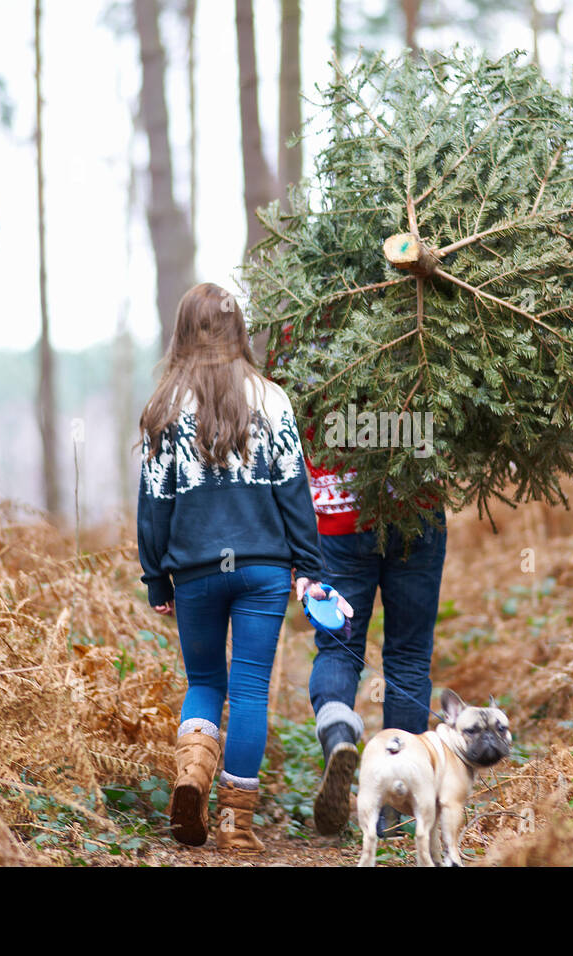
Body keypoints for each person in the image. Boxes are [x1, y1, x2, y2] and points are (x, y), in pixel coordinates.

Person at [136, 282, 338, 854]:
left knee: (204, 681)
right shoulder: (270, 398)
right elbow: (294, 490)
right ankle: (236, 824)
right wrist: (308, 566)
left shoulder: (164, 406)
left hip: (195, 572)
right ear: (237, 329)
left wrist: (156, 576)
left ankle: (192, 776)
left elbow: (154, 504)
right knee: (249, 689)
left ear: (182, 332)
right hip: (263, 570)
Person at [305, 450, 448, 837]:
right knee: (409, 655)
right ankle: (395, 805)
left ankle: (338, 733)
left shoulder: (291, 384)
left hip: (340, 516)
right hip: (417, 505)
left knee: (337, 648)